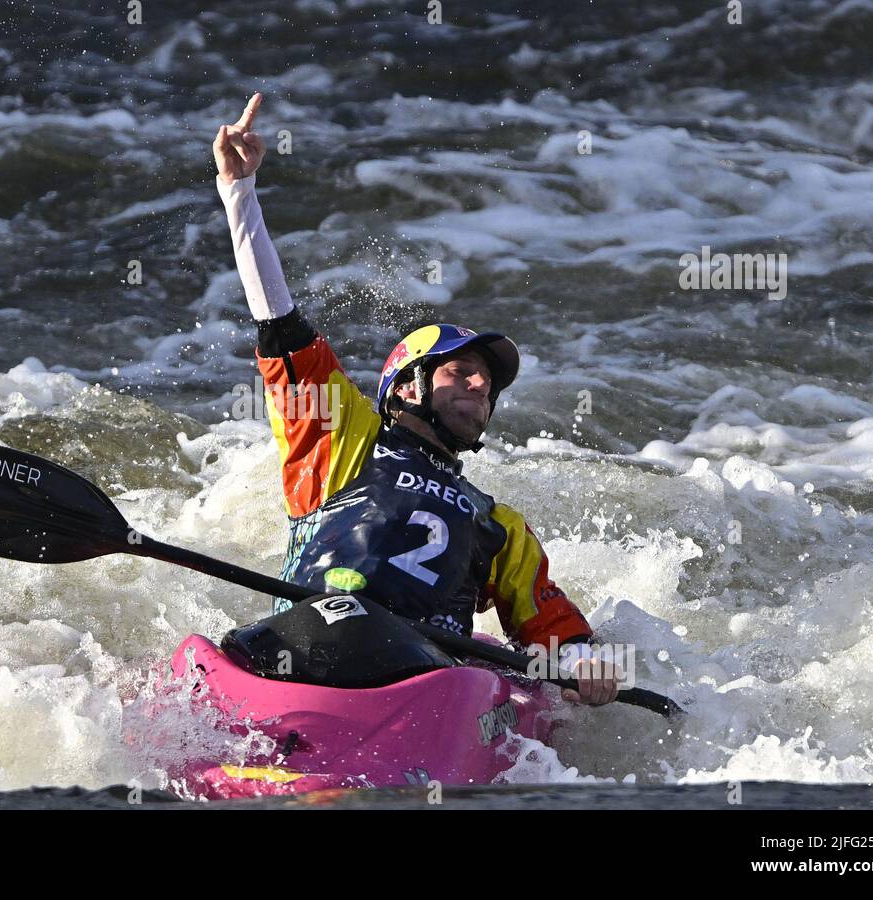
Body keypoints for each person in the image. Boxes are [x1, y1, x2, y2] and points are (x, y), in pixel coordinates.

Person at [213, 93, 618, 705]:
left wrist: (585, 661)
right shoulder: (342, 439)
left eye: (487, 380)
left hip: (421, 685)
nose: (480, 386)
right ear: (406, 386)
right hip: (307, 649)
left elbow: (551, 626)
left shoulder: (497, 525)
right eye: (460, 372)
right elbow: (280, 327)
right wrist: (239, 195)